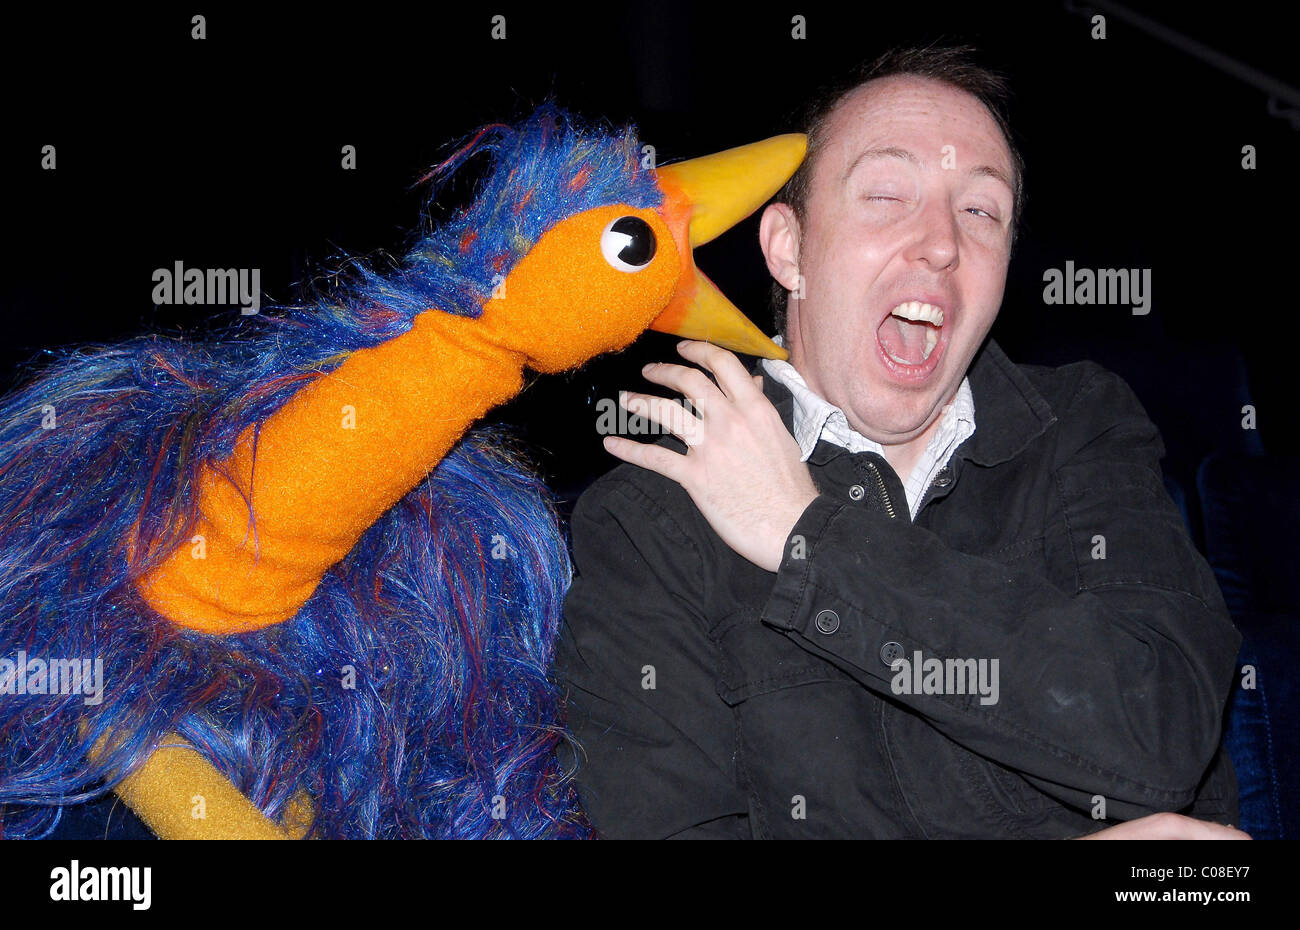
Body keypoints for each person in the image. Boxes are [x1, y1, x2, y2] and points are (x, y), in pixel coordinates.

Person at [553, 45, 1246, 839]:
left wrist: (808, 538)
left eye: (981, 211)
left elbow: (1162, 744)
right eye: (886, 194)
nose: (943, 243)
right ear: (787, 249)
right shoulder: (651, 516)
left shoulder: (1081, 427)